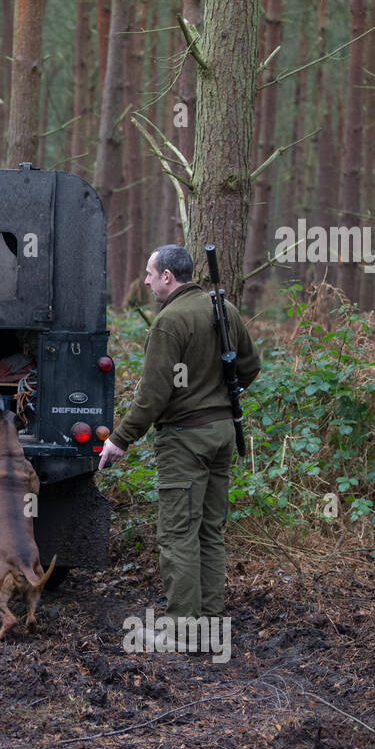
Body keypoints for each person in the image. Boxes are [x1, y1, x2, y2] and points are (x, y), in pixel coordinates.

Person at [97, 245, 260, 650]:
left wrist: (120, 439)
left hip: (186, 440)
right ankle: (208, 626)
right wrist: (220, 395)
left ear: (168, 276)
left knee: (178, 535)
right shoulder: (225, 311)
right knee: (209, 532)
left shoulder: (169, 322)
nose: (147, 281)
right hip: (222, 434)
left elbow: (152, 397)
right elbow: (249, 367)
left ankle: (183, 634)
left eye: (150, 274)